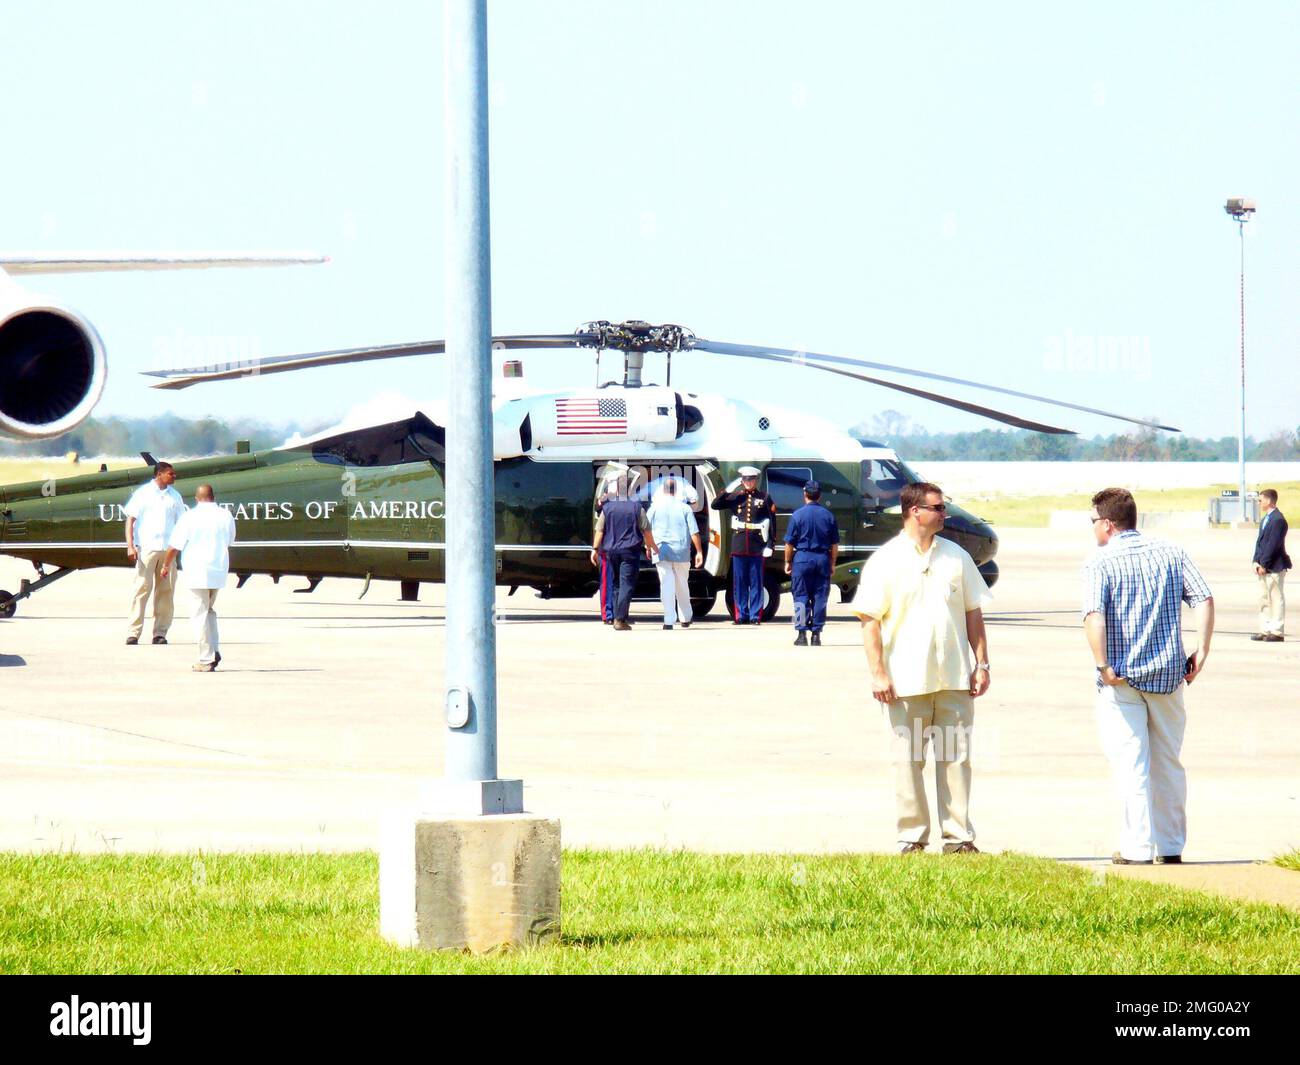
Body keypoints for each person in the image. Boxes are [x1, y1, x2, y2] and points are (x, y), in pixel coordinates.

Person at [853, 481, 991, 855]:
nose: (944, 514)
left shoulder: (956, 557)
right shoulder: (886, 559)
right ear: (916, 511)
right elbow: (869, 620)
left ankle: (959, 837)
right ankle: (913, 836)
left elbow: (973, 612)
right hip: (905, 682)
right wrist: (877, 672)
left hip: (954, 680)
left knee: (956, 759)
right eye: (938, 508)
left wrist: (982, 663)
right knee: (907, 762)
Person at [1083, 487, 1215, 865]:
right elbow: (1203, 597)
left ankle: (1137, 848)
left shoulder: (1100, 562)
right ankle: (1171, 846)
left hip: (1122, 678)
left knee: (1131, 764)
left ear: (1107, 524)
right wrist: (1202, 650)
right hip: (1170, 676)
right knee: (1168, 762)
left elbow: (1094, 616)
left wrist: (1102, 664)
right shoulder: (1171, 552)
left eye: (1093, 522)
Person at [161, 483, 237, 672]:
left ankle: (206, 658)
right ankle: (214, 649)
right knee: (209, 610)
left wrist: (165, 564)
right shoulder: (225, 515)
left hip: (197, 570)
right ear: (213, 496)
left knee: (199, 614)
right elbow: (230, 540)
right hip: (218, 569)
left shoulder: (190, 516)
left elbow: (174, 546)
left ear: (197, 498)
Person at [123, 461, 186, 646]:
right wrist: (130, 545)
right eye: (170, 474)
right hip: (147, 548)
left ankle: (160, 633)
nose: (174, 477)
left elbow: (181, 524)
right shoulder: (143, 494)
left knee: (165, 591)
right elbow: (130, 519)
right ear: (159, 474)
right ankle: (133, 632)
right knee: (141, 589)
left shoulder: (175, 496)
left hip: (167, 550)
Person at [711, 466, 776, 624]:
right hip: (739, 545)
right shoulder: (736, 497)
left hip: (756, 545)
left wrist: (770, 544)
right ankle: (740, 615)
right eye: (745, 479)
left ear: (756, 480)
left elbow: (772, 522)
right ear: (742, 481)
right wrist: (728, 490)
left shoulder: (764, 498)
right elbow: (715, 504)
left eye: (751, 479)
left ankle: (754, 616)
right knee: (739, 583)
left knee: (756, 582)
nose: (748, 482)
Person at [590, 478, 657, 631]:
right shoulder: (636, 507)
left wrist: (595, 549)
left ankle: (616, 616)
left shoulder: (607, 509)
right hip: (630, 551)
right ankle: (620, 619)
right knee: (626, 583)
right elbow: (646, 529)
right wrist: (650, 546)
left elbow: (599, 530)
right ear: (629, 491)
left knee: (615, 584)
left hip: (611, 551)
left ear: (617, 491)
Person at [783, 480, 840, 646]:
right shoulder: (829, 516)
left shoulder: (797, 515)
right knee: (820, 597)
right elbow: (834, 545)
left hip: (802, 558)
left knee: (800, 597)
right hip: (822, 558)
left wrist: (788, 561)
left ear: (804, 494)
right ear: (819, 496)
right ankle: (816, 634)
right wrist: (832, 563)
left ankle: (801, 634)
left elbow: (789, 544)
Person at [647, 478, 704, 630]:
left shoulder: (654, 508)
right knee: (682, 584)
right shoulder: (685, 508)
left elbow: (646, 529)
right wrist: (699, 551)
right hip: (682, 551)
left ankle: (669, 620)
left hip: (660, 551)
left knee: (666, 585)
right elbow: (694, 532)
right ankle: (685, 617)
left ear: (663, 490)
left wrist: (648, 547)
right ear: (676, 491)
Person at [1252, 488, 1290, 642]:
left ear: (1269, 501)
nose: (1259, 503)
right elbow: (1260, 543)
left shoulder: (1278, 520)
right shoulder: (1266, 519)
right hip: (1262, 565)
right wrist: (1255, 561)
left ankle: (1277, 630)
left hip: (1274, 566)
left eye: (1260, 500)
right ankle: (1265, 629)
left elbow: (1273, 545)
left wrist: (1264, 564)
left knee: (1276, 598)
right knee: (1264, 599)